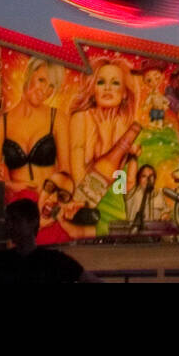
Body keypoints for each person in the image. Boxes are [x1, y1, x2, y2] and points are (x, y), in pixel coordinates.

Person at [67, 57, 141, 232]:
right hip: (85, 204)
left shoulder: (125, 126)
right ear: (93, 89)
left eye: (115, 83)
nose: (107, 88)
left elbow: (116, 178)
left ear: (125, 93)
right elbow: (80, 176)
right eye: (101, 82)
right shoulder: (80, 119)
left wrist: (107, 138)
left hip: (114, 205)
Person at [0, 58, 71, 202]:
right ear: (29, 74)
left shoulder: (57, 118)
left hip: (49, 203)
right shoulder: (1, 123)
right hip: (17, 204)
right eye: (41, 80)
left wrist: (50, 195)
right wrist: (12, 186)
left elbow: (65, 170)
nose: (45, 90)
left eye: (51, 86)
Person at [0, 199, 92, 283]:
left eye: (15, 220)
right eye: (8, 221)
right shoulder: (55, 260)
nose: (9, 226)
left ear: (32, 222)